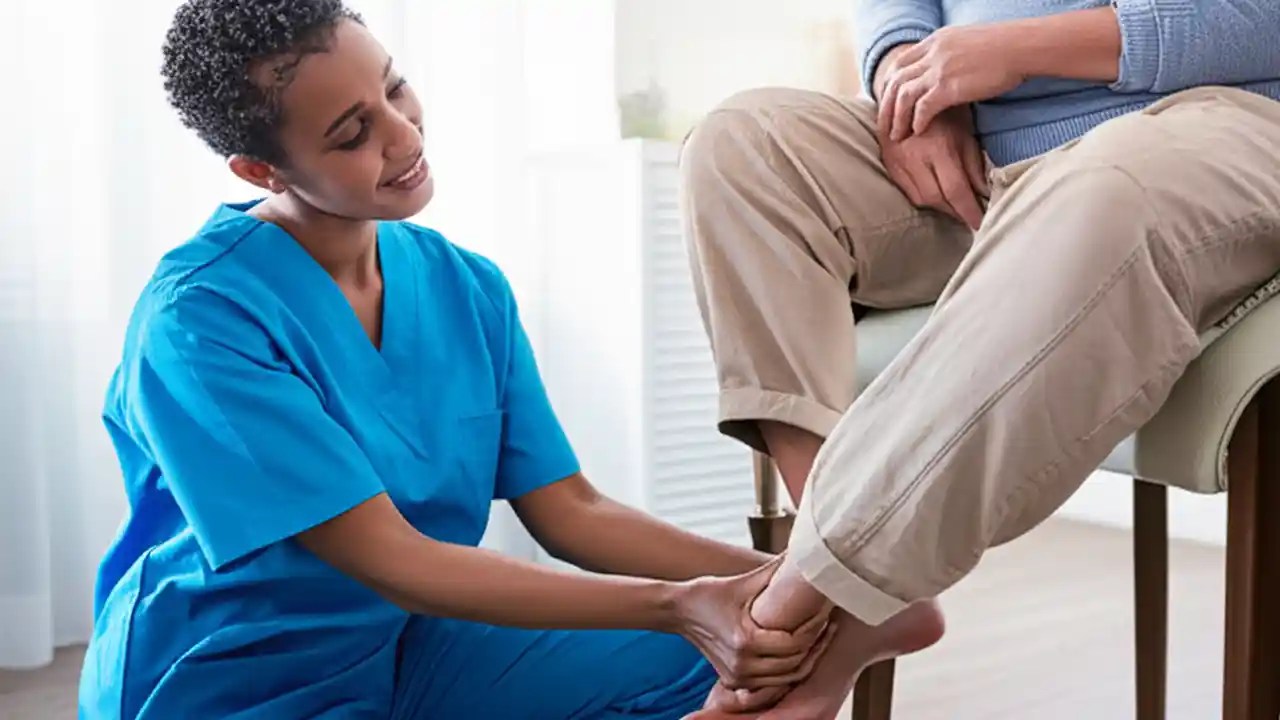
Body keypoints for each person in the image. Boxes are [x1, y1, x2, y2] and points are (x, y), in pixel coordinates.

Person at [77, 2, 834, 718]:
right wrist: (681, 602)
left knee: (744, 648)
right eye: (351, 134)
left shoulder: (467, 286)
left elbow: (573, 511)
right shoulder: (200, 321)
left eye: (396, 87)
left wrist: (785, 582)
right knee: (699, 629)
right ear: (262, 171)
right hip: (229, 677)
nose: (404, 137)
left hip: (404, 645)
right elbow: (393, 559)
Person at [681, 0, 1280, 716]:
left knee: (1102, 192)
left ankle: (809, 603)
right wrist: (909, 80)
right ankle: (851, 589)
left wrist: (1023, 47)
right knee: (743, 146)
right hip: (973, 148)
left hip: (1212, 121)